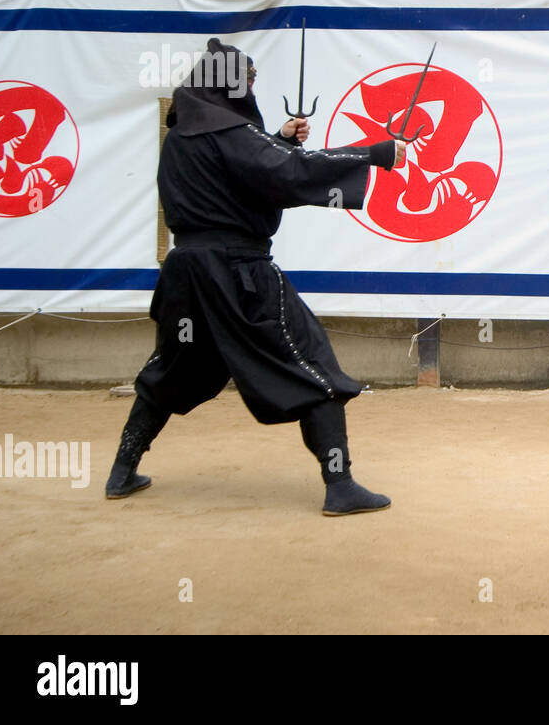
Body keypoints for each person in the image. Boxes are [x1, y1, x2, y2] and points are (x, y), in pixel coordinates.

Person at [105, 38, 405, 515]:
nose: (251, 87)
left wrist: (279, 138)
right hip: (237, 271)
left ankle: (122, 470)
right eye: (247, 79)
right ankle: (340, 484)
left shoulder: (183, 135)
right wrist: (375, 152)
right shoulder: (233, 132)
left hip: (188, 274)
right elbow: (289, 173)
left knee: (171, 368)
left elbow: (245, 176)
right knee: (313, 363)